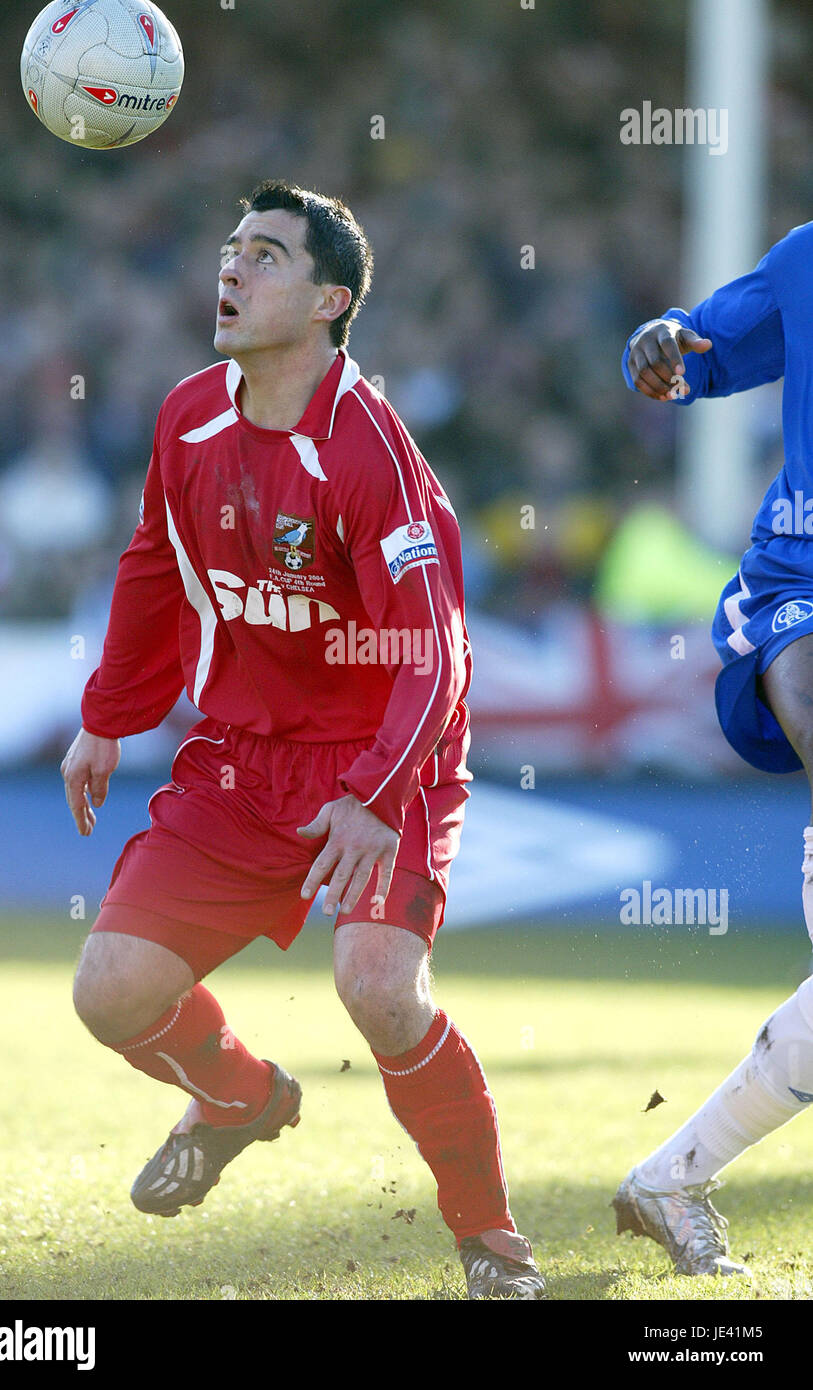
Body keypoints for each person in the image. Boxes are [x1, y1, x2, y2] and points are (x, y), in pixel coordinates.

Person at [60, 180, 545, 1301]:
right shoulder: (187, 415)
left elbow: (438, 653)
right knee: (108, 993)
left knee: (378, 986)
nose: (230, 268)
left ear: (330, 301)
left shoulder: (369, 453)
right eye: (229, 249)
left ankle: (489, 1241)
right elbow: (149, 563)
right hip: (241, 756)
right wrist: (109, 713)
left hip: (386, 753)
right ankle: (239, 1095)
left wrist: (377, 790)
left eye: (265, 255)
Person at [615, 219, 813, 1277]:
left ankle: (667, 1179)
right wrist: (659, 344)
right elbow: (691, 351)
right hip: (800, 577)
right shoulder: (806, 257)